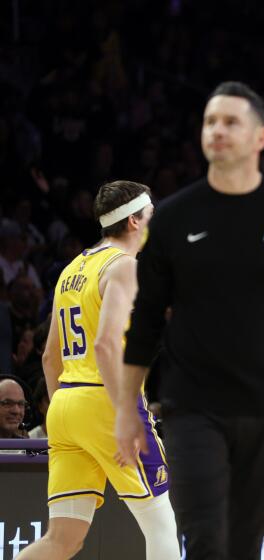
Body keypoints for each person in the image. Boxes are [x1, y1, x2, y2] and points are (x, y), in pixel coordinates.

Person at [115, 81, 264, 560]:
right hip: (191, 405)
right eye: (210, 121)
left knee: (242, 543)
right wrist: (124, 408)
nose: (217, 130)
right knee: (205, 536)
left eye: (231, 121)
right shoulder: (175, 217)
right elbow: (146, 318)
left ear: (260, 137)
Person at [17, 181, 180, 560]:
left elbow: (48, 357)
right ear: (135, 222)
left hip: (66, 403)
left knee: (63, 539)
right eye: (152, 214)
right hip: (106, 399)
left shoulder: (72, 269)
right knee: (161, 522)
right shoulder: (125, 267)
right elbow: (107, 345)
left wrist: (69, 416)